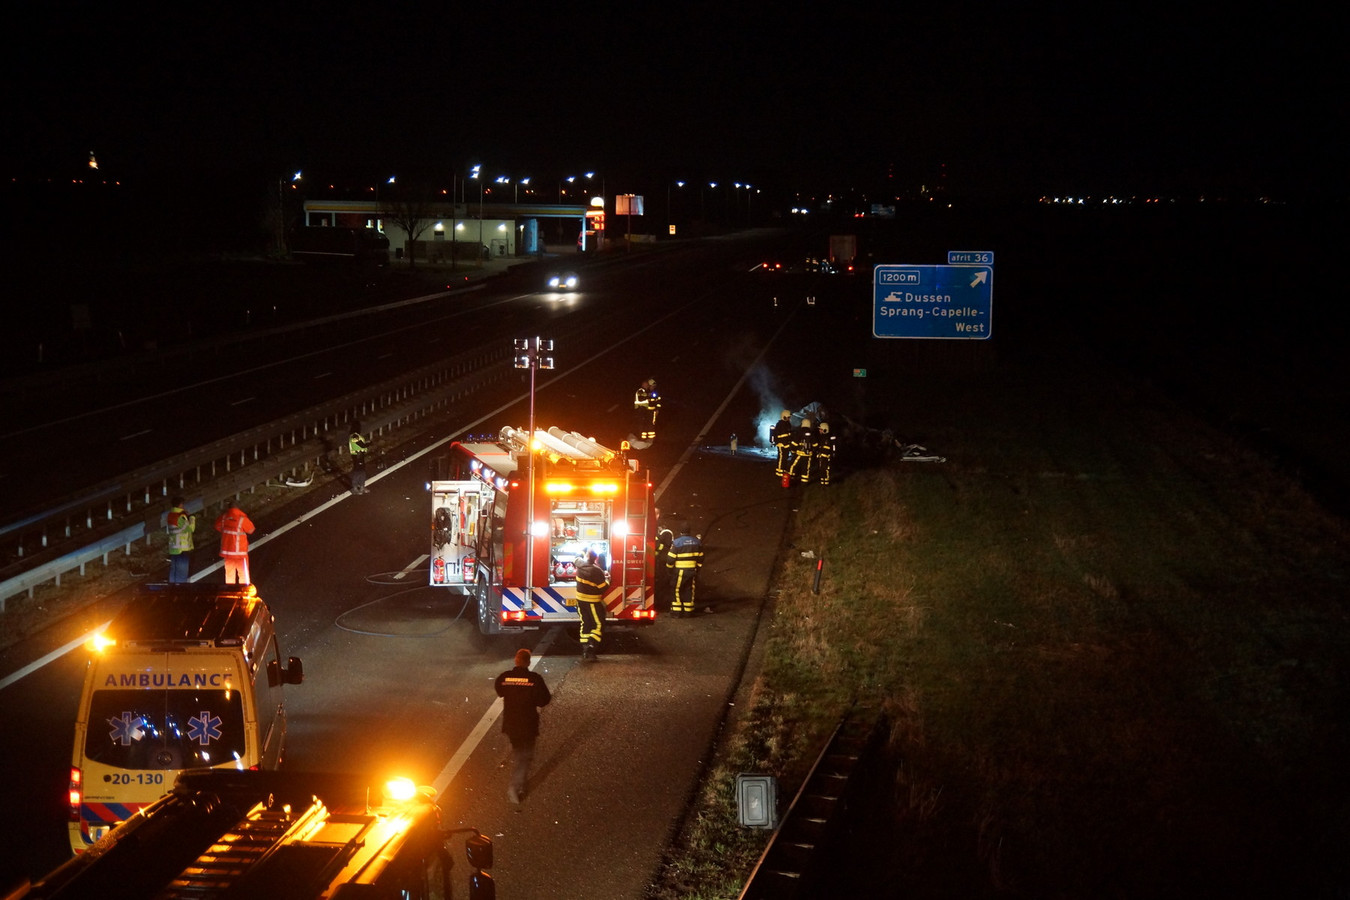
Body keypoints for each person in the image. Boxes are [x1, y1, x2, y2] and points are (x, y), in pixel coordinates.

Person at [494, 648, 552, 805]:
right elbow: (544, 700)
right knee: (525, 757)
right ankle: (515, 786)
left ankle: (521, 785)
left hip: (511, 724)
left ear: (515, 660)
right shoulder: (535, 679)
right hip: (528, 724)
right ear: (528, 662)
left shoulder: (505, 677)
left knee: (520, 753)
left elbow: (499, 690)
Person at [574, 550, 609, 661]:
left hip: (580, 601)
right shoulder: (596, 571)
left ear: (586, 556)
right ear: (596, 558)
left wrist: (582, 552)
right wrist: (607, 579)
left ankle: (585, 648)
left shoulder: (579, 564)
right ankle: (592, 646)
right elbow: (603, 587)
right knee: (599, 624)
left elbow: (576, 557)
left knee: (585, 623)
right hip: (593, 602)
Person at [667, 522, 705, 618]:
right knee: (689, 590)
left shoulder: (677, 542)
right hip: (692, 570)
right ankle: (688, 612)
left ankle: (677, 612)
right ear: (689, 531)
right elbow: (701, 557)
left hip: (679, 571)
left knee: (676, 589)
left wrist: (669, 569)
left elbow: (670, 559)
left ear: (680, 531)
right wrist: (697, 568)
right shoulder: (697, 542)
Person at [214, 504, 256, 584]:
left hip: (228, 553)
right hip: (240, 553)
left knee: (229, 575)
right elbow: (251, 530)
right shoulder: (242, 519)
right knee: (243, 575)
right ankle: (244, 593)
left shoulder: (223, 518)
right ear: (238, 509)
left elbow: (217, 526)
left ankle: (231, 593)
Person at [165, 497, 196, 583]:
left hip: (173, 547)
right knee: (181, 574)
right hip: (182, 548)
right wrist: (192, 518)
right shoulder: (180, 517)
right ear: (180, 504)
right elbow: (190, 529)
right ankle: (180, 592)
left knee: (174, 571)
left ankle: (172, 590)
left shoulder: (170, 515)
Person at [653, 513, 675, 613]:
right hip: (665, 562)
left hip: (663, 562)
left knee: (662, 584)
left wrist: (657, 554)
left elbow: (659, 546)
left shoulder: (665, 534)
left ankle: (661, 605)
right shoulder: (668, 534)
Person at [633, 377, 661, 442]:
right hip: (643, 410)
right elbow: (642, 398)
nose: (652, 387)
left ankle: (650, 438)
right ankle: (643, 438)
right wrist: (648, 395)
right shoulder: (642, 391)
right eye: (651, 386)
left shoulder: (653, 392)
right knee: (643, 424)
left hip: (650, 411)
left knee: (650, 424)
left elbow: (658, 401)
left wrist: (657, 409)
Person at [789, 417, 815, 484]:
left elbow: (795, 442)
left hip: (799, 453)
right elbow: (815, 444)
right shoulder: (812, 433)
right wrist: (814, 450)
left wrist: (792, 450)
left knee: (794, 465)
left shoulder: (799, 432)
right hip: (808, 454)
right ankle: (804, 481)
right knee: (806, 468)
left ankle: (791, 477)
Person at [771, 409, 794, 478]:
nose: (789, 418)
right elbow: (781, 436)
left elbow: (788, 435)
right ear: (784, 417)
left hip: (786, 444)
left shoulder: (787, 424)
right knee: (781, 457)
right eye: (788, 417)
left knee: (785, 458)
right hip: (781, 444)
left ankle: (783, 470)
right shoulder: (780, 424)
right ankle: (779, 472)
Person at [814, 421, 837, 485]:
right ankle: (822, 482)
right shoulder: (822, 437)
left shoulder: (828, 438)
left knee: (826, 469)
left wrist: (832, 453)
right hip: (822, 456)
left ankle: (826, 483)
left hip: (826, 457)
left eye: (820, 429)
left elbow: (832, 447)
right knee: (822, 469)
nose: (819, 431)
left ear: (824, 430)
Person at [348, 428, 370, 494]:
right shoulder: (353, 437)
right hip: (357, 456)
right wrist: (369, 443)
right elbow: (362, 445)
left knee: (362, 470)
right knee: (358, 471)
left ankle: (362, 486)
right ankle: (355, 487)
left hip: (360, 455)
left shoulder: (357, 435)